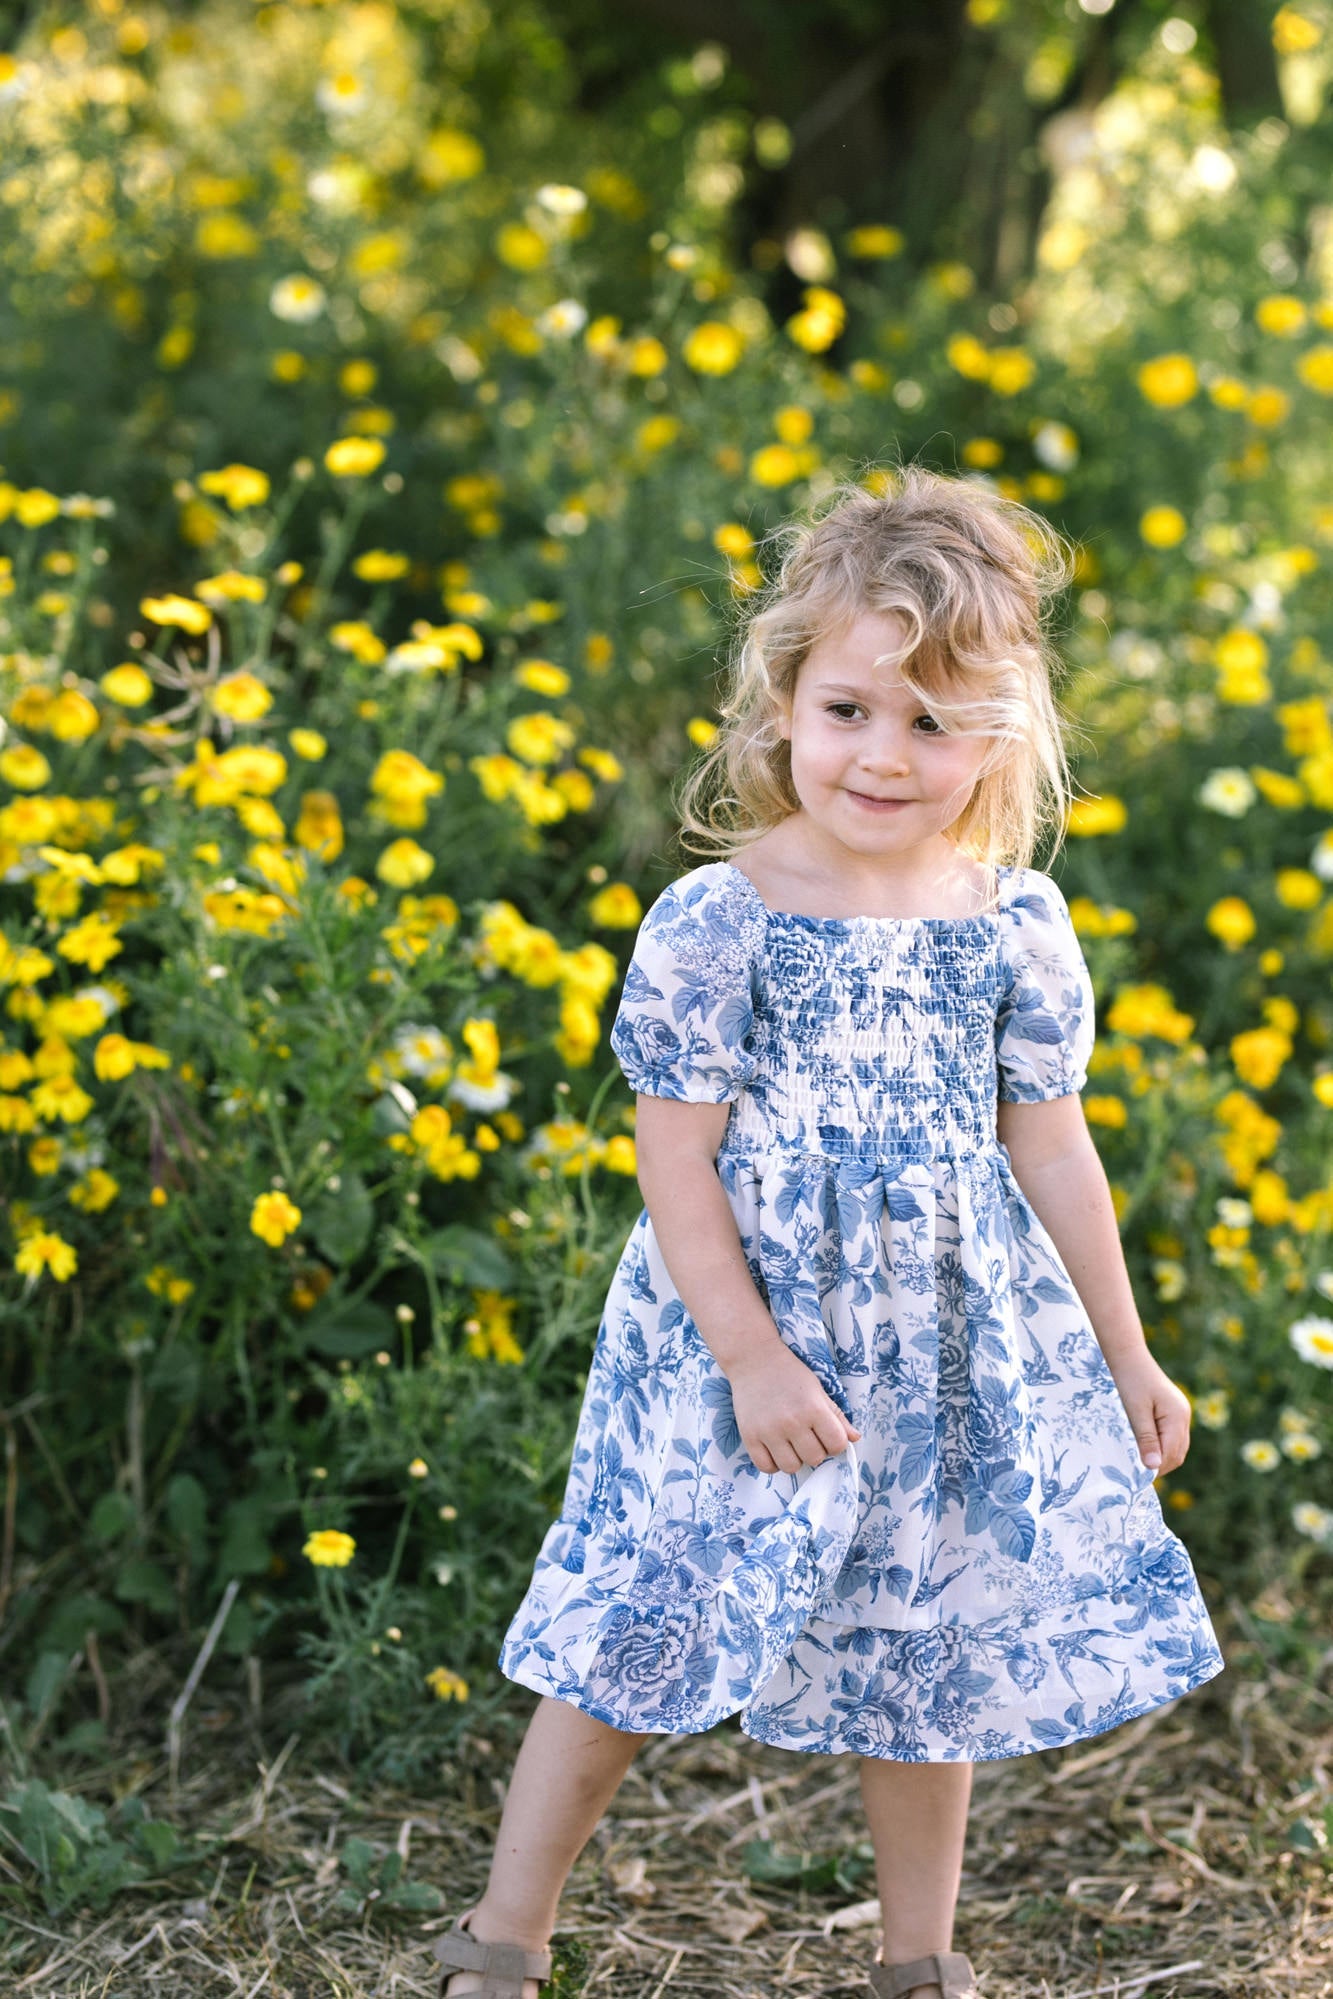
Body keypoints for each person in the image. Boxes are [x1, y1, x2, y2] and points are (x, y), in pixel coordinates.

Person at [431, 464, 1225, 1999]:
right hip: (742, 1350)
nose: (883, 754)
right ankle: (503, 1939)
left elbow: (1051, 1149)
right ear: (783, 704)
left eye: (933, 722)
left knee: (916, 1665)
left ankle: (918, 1960)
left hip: (931, 1351)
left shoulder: (1006, 924)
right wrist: (749, 1361)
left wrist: (1124, 1353)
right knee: (641, 1635)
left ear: (998, 737)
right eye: (851, 709)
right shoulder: (722, 921)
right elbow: (674, 1163)